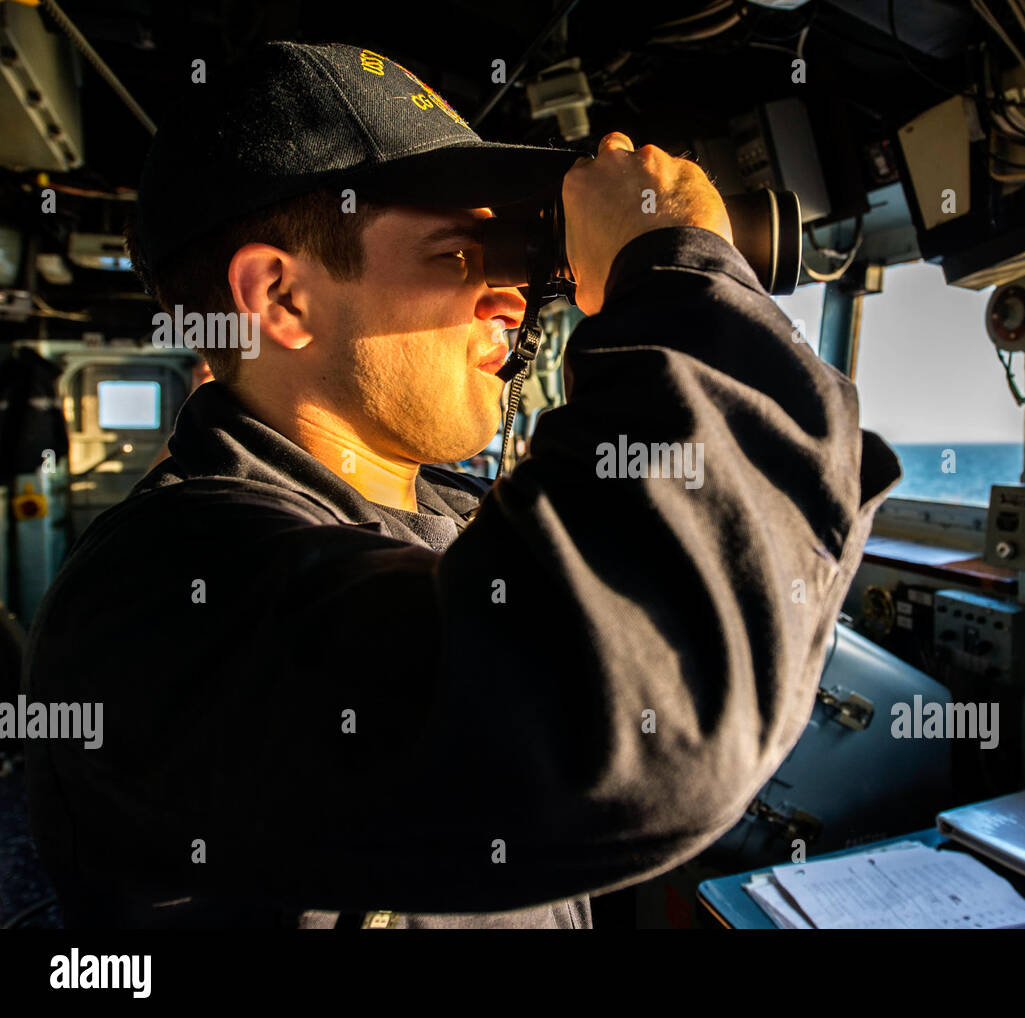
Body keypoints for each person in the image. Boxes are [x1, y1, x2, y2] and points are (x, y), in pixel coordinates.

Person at [21, 41, 900, 928]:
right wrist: (671, 269)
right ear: (280, 298)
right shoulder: (160, 597)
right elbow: (625, 726)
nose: (513, 298)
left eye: (507, 252)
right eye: (457, 254)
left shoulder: (449, 518)